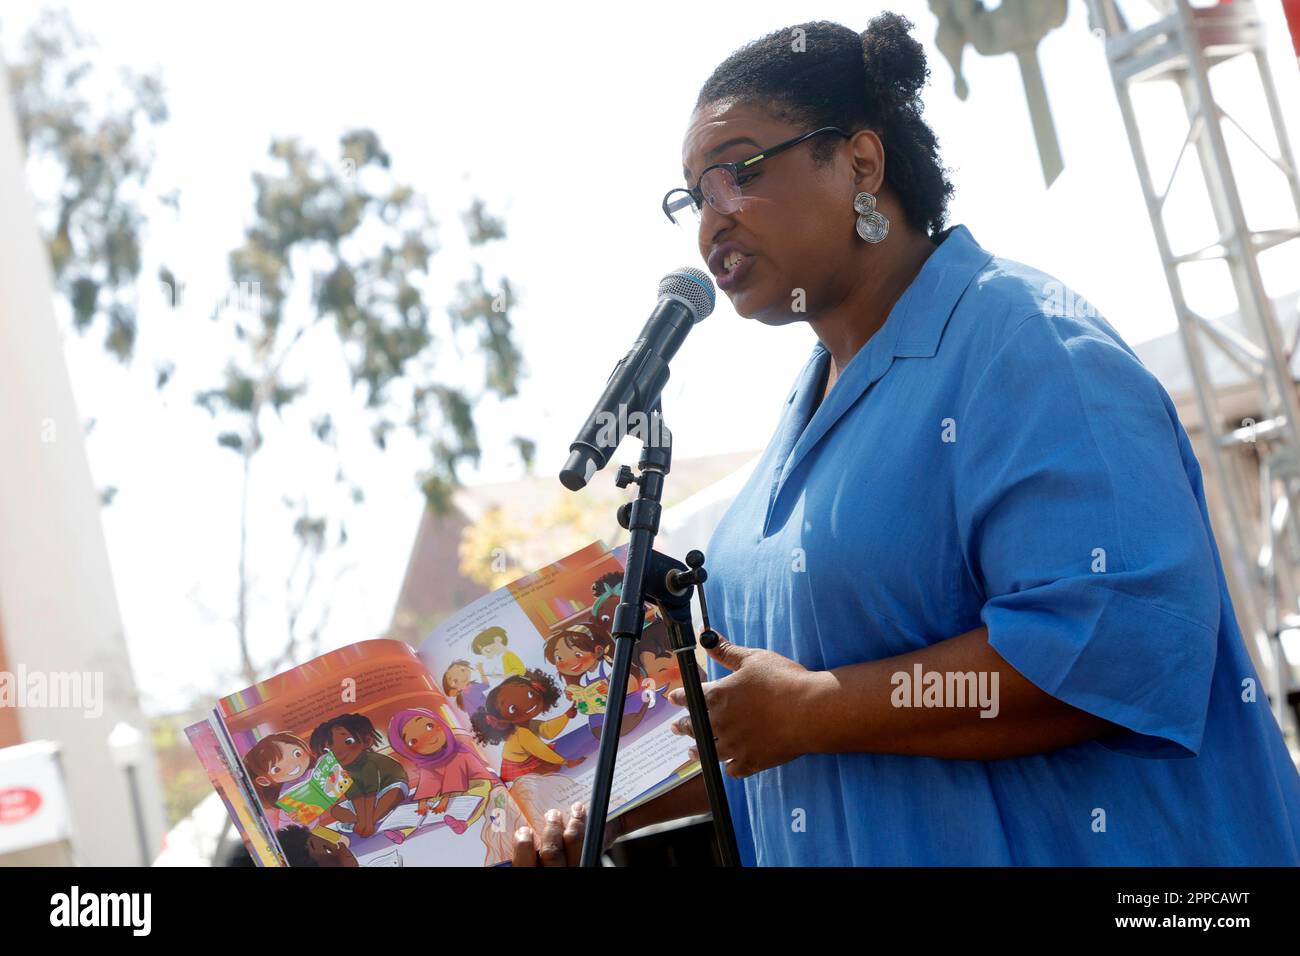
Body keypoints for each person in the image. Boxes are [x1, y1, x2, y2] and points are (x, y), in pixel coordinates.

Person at [514, 14, 1300, 867]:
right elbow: (772, 735)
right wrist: (598, 819)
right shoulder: (792, 435)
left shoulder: (1026, 342)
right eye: (693, 198)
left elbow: (1108, 649)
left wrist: (817, 707)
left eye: (735, 173)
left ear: (860, 162)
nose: (712, 223)